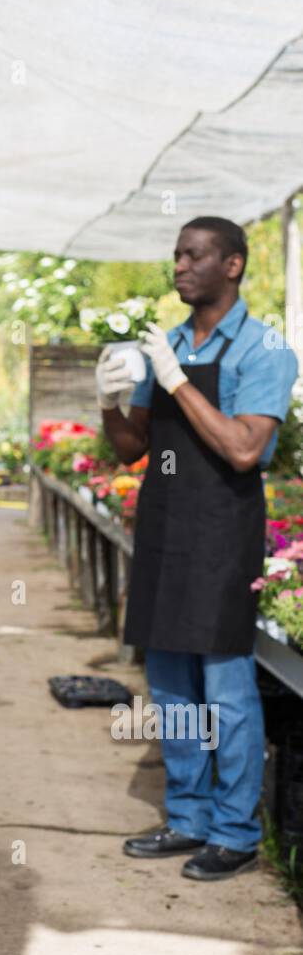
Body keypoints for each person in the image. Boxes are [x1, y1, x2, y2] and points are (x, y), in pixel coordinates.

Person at [96, 216, 298, 881]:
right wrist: (111, 397)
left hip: (220, 533)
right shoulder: (172, 341)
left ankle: (235, 831)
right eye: (177, 255)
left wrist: (176, 379)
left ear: (232, 265)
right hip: (164, 527)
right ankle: (187, 816)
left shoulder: (265, 350)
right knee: (170, 684)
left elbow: (244, 448)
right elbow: (134, 449)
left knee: (226, 689)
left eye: (194, 255)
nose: (179, 266)